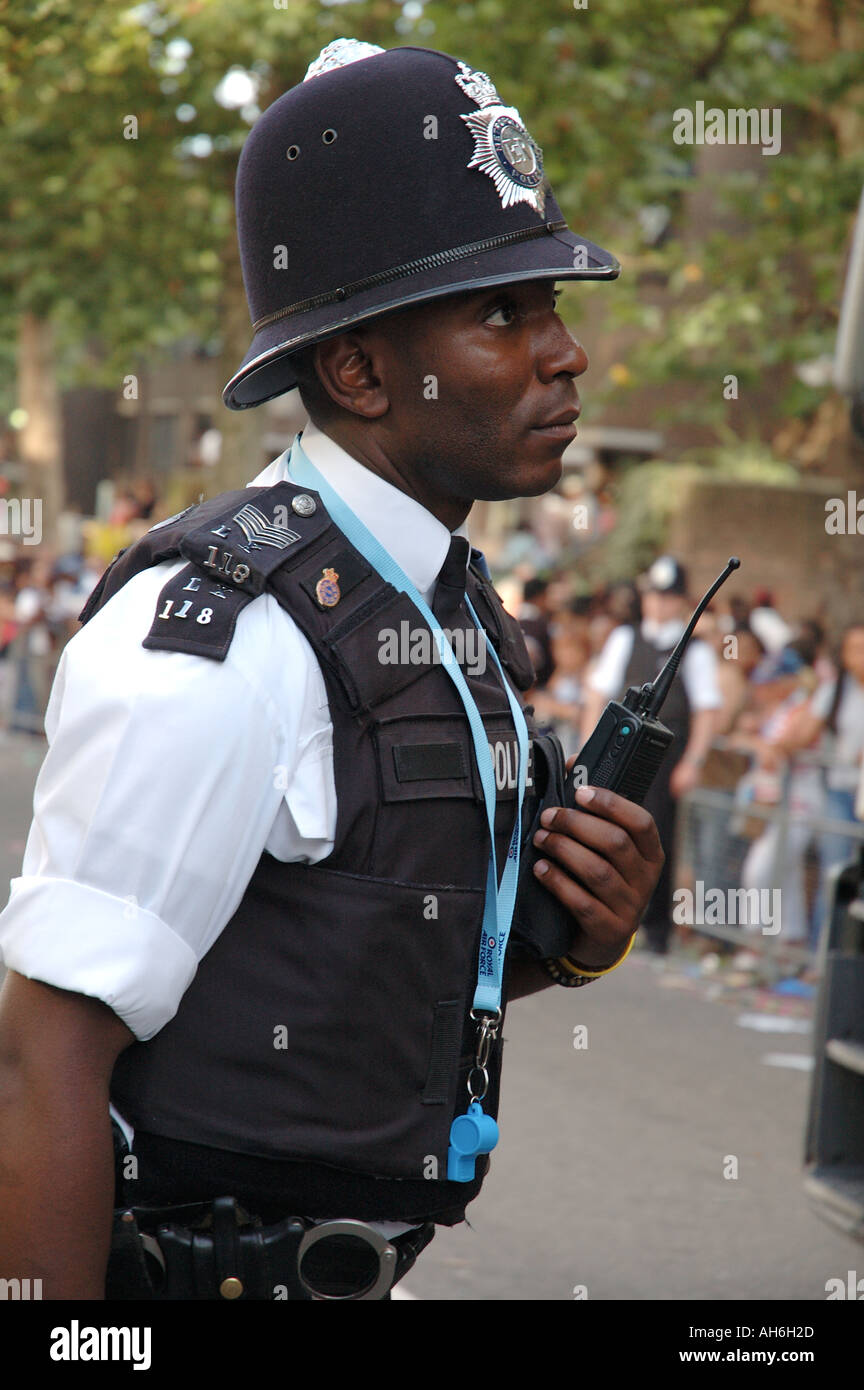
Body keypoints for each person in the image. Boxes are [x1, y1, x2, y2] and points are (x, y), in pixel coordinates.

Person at [0, 39, 664, 1302]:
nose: (565, 353)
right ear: (358, 371)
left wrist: (571, 940)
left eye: (555, 305)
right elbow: (41, 1065)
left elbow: (360, 974)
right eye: (500, 313)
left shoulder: (447, 599)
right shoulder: (222, 643)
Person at [580, 555, 721, 954]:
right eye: (654, 595)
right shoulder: (625, 638)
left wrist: (693, 761)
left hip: (664, 763)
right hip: (619, 754)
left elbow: (707, 710)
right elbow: (597, 693)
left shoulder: (695, 651)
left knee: (656, 840)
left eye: (667, 597)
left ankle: (655, 928)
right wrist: (594, 745)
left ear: (680, 601)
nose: (658, 604)